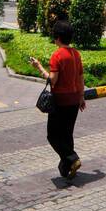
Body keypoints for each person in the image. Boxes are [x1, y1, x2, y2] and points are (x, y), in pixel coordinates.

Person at [31, 19, 85, 180]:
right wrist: (82, 97)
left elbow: (52, 80)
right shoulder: (76, 54)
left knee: (53, 135)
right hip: (74, 100)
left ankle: (73, 158)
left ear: (58, 37)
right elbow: (81, 78)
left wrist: (39, 67)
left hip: (61, 101)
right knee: (67, 134)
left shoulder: (57, 55)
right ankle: (67, 168)